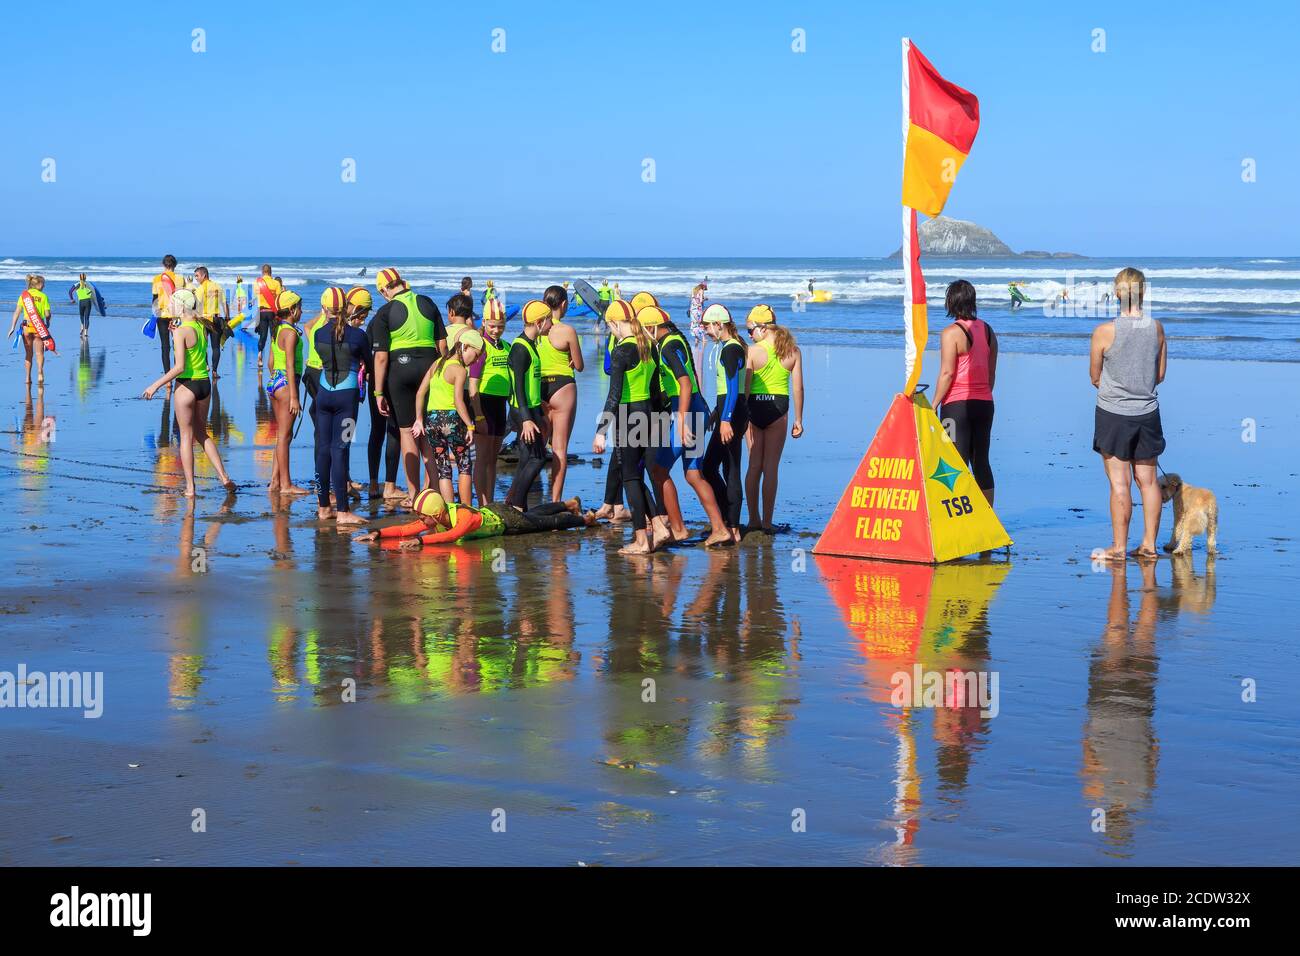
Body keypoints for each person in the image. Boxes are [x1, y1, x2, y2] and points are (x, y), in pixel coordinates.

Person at [1090, 267, 1167, 560]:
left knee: (1119, 483)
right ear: (1143, 293)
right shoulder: (1156, 328)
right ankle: (1149, 545)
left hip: (1113, 413)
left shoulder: (1104, 332)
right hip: (1147, 412)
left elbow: (1094, 376)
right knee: (1147, 482)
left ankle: (1119, 547)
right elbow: (1160, 374)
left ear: (1117, 294)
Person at [641, 304, 730, 547]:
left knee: (659, 470)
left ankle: (678, 529)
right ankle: (720, 528)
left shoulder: (668, 346)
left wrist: (680, 420)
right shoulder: (675, 341)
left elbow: (685, 383)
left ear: (651, 328)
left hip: (688, 415)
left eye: (643, 330)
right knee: (693, 475)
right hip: (696, 411)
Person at [141, 289, 237, 497]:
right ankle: (224, 477)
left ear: (181, 306)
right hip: (204, 385)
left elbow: (179, 367)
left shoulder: (180, 331)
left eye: (173, 303)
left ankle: (191, 488)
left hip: (186, 386)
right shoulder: (200, 326)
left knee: (186, 438)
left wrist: (154, 385)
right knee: (202, 433)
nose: (170, 307)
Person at [370, 267, 448, 508]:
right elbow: (443, 346)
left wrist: (378, 392)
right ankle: (433, 489)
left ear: (384, 290)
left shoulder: (385, 311)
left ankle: (414, 493)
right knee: (425, 431)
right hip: (428, 366)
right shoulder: (428, 302)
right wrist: (442, 375)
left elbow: (381, 357)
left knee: (407, 432)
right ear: (403, 282)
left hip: (399, 370)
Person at [592, 299, 663, 554]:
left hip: (627, 415)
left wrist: (600, 432)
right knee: (636, 474)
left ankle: (642, 541)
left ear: (613, 323)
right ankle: (658, 525)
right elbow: (656, 389)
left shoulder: (623, 350)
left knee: (630, 477)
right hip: (648, 414)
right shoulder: (649, 346)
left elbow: (614, 394)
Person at [933, 279, 998, 506]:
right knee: (981, 461)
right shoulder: (989, 331)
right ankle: (988, 518)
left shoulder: (951, 333)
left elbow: (947, 374)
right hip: (984, 405)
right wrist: (982, 395)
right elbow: (991, 375)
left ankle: (956, 517)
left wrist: (933, 405)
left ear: (951, 302)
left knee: (952, 462)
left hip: (956, 407)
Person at [312, 288, 372, 525]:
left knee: (323, 450)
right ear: (347, 307)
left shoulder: (318, 334)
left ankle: (324, 507)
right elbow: (368, 361)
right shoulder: (357, 336)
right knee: (341, 449)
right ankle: (344, 512)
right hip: (347, 401)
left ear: (324, 308)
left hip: (324, 398)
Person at [354, 489, 592, 548]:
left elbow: (453, 535)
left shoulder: (464, 517)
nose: (421, 522)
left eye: (422, 517)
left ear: (435, 514)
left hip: (506, 519)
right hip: (497, 513)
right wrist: (378, 533)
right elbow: (407, 529)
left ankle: (584, 521)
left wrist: (421, 542)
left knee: (543, 525)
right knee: (533, 515)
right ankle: (568, 504)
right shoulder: (437, 517)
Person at [744, 305, 804, 532]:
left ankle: (753, 520)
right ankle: (767, 523)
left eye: (751, 329)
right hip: (778, 407)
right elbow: (798, 388)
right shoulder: (793, 351)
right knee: (771, 467)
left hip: (754, 407)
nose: (749, 334)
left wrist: (740, 416)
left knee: (753, 466)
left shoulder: (751, 351)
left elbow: (746, 388)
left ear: (763, 328)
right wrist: (799, 419)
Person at [413, 328, 483, 508]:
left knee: (443, 469)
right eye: (475, 356)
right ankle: (467, 510)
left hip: (432, 420)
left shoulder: (437, 363)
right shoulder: (459, 370)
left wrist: (419, 419)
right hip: (452, 420)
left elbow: (420, 393)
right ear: (465, 347)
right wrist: (470, 425)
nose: (475, 361)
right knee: (465, 465)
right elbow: (458, 401)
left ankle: (450, 511)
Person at [699, 304, 749, 543]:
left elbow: (731, 388)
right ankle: (729, 524)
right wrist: (717, 414)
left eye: (708, 326)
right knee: (726, 468)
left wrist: (726, 419)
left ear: (719, 325)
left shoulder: (731, 349)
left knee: (716, 468)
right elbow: (729, 390)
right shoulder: (731, 347)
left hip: (732, 414)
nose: (707, 331)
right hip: (729, 412)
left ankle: (731, 526)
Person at [350, 286, 397, 500]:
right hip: (389, 382)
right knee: (392, 432)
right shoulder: (393, 320)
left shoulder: (375, 321)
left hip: (372, 383)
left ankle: (373, 483)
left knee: (377, 431)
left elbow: (366, 353)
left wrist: (368, 373)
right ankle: (388, 484)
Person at [538, 284, 584, 501]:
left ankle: (524, 495)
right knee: (559, 448)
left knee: (538, 444)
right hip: (563, 388)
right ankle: (555, 500)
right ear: (564, 304)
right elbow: (580, 364)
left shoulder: (537, 329)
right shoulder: (567, 331)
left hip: (541, 388)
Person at [504, 300, 551, 510]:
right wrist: (526, 419)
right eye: (549, 320)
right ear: (539, 322)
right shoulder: (520, 348)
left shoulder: (531, 344)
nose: (552, 324)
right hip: (522, 411)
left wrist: (538, 407)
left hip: (530, 409)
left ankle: (515, 501)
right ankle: (517, 504)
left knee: (526, 458)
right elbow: (518, 387)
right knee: (538, 458)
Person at [267, 290, 309, 496]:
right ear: (292, 310)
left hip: (275, 382)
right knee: (284, 436)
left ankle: (275, 480)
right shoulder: (291, 333)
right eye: (299, 308)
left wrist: (276, 380)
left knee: (282, 434)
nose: (301, 311)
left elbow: (270, 362)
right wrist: (294, 396)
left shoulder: (276, 330)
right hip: (287, 383)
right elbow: (291, 365)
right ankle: (286, 484)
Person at [473, 298, 511, 503]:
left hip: (500, 405)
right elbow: (473, 383)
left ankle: (491, 501)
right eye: (492, 326)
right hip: (483, 404)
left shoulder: (506, 346)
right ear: (484, 323)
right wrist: (477, 414)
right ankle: (482, 502)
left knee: (493, 459)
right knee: (482, 457)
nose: (496, 330)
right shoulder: (480, 346)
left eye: (501, 327)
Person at [9, 275, 55, 385]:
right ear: (38, 284)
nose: (44, 286)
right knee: (39, 353)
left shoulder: (24, 296)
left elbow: (17, 312)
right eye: (43, 283)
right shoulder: (43, 296)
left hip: (27, 327)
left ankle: (27, 377)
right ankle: (40, 372)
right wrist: (48, 321)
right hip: (39, 327)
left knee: (28, 353)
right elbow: (47, 314)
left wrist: (12, 327)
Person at [193, 267, 229, 380]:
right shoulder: (218, 286)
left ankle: (206, 366)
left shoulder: (199, 289)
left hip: (203, 320)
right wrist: (227, 318)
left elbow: (196, 305)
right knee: (215, 347)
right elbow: (224, 303)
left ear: (204, 275)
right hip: (216, 319)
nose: (196, 278)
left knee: (203, 346)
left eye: (197, 276)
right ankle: (214, 371)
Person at [151, 255, 185, 376]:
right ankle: (178, 372)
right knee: (178, 344)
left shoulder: (156, 279)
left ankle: (167, 376)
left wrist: (154, 315)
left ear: (163, 264)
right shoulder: (180, 278)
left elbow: (155, 299)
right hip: (176, 315)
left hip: (161, 314)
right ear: (175, 265)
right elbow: (184, 297)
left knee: (165, 346)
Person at [253, 264, 282, 372]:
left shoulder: (257, 283)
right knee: (274, 336)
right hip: (272, 312)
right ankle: (274, 358)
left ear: (262, 272)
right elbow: (279, 299)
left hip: (261, 312)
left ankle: (260, 354)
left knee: (263, 336)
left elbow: (254, 299)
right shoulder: (276, 283)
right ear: (271, 272)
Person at [70, 274, 95, 338]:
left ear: (79, 278)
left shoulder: (76, 284)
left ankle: (81, 328)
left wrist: (72, 299)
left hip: (81, 302)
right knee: (87, 318)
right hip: (88, 301)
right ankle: (86, 333)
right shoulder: (89, 284)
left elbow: (70, 291)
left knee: (81, 316)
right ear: (86, 278)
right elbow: (93, 292)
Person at [688, 281, 708, 359]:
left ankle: (696, 339)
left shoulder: (694, 290)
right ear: (703, 287)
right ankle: (703, 338)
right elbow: (700, 301)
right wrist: (705, 299)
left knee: (694, 324)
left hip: (692, 310)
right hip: (698, 310)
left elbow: (692, 301)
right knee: (700, 323)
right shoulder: (701, 291)